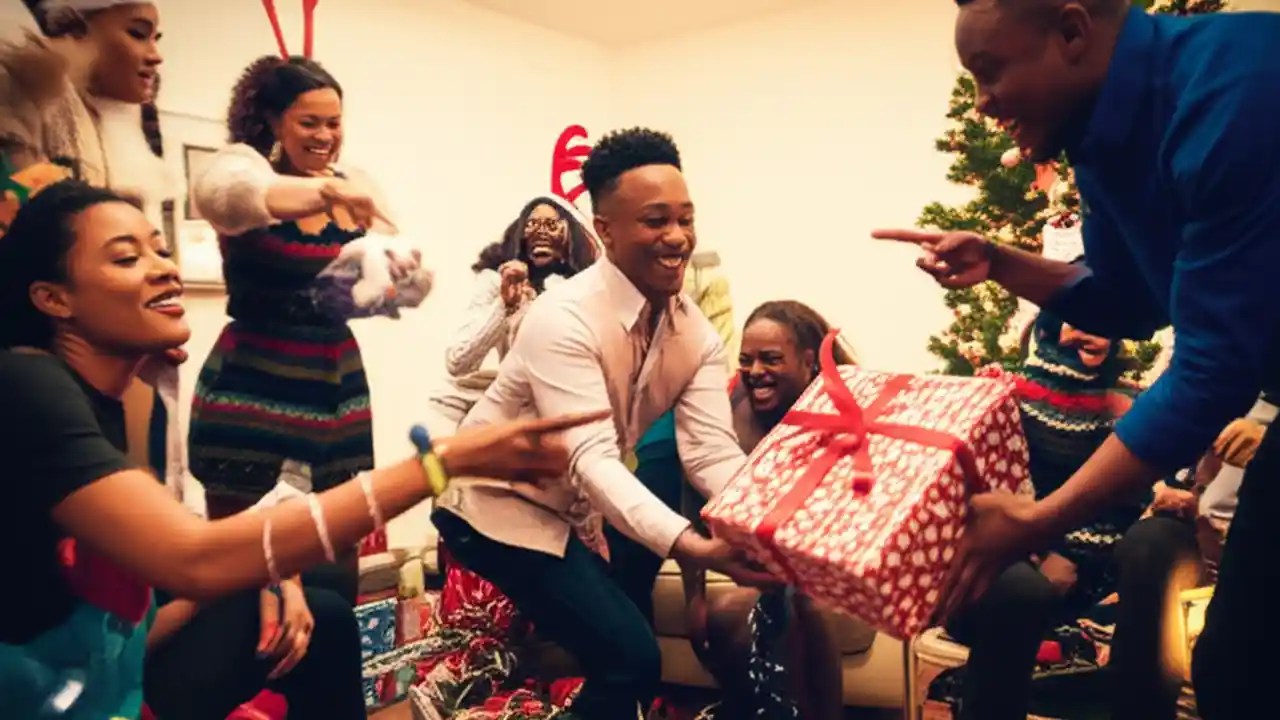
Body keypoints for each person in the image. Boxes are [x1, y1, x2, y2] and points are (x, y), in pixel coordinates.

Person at [0, 179, 601, 720]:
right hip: (49, 694)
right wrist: (443, 465)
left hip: (109, 668)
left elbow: (144, 593)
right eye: (127, 259)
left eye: (160, 249)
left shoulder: (138, 394)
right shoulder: (29, 385)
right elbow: (188, 560)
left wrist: (267, 574)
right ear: (53, 299)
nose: (163, 268)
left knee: (323, 616)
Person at [873, 3, 1280, 716]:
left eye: (989, 71)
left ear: (1071, 32)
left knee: (1246, 667)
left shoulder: (1237, 90)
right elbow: (1127, 299)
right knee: (1238, 668)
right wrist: (1001, 262)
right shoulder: (1100, 141)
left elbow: (1215, 369)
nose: (981, 101)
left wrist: (1040, 517)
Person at [431, 127, 776, 719]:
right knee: (630, 655)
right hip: (488, 505)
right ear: (606, 229)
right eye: (655, 220)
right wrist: (691, 544)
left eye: (686, 219)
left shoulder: (693, 331)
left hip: (559, 512)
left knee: (617, 651)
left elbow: (711, 453)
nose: (677, 238)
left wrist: (777, 517)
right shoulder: (562, 318)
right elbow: (591, 459)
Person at [187, 55, 419, 604]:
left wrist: (396, 282)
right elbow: (238, 199)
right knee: (246, 570)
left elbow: (391, 283)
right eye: (309, 122)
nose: (325, 135)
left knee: (334, 572)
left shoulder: (354, 184)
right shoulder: (240, 170)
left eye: (334, 122)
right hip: (253, 386)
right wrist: (328, 195)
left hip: (334, 386)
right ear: (272, 120)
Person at [943, 310, 1200, 719]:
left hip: (1108, 558)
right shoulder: (1005, 392)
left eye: (1099, 321)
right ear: (1048, 328)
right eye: (1073, 319)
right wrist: (1039, 554)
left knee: (1158, 546)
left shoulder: (1132, 403)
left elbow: (1141, 488)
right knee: (1019, 588)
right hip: (1021, 550)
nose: (1088, 330)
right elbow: (990, 485)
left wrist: (1077, 551)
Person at [682, 300, 852, 720]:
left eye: (771, 359)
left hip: (825, 566)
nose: (755, 371)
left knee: (805, 603)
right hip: (756, 568)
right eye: (746, 360)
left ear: (809, 360)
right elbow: (694, 509)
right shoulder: (726, 411)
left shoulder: (845, 407)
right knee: (726, 614)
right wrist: (695, 598)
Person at [429, 194, 599, 426]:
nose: (541, 233)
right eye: (532, 225)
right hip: (507, 415)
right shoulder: (496, 282)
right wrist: (504, 307)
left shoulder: (585, 289)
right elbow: (458, 361)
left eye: (551, 225)